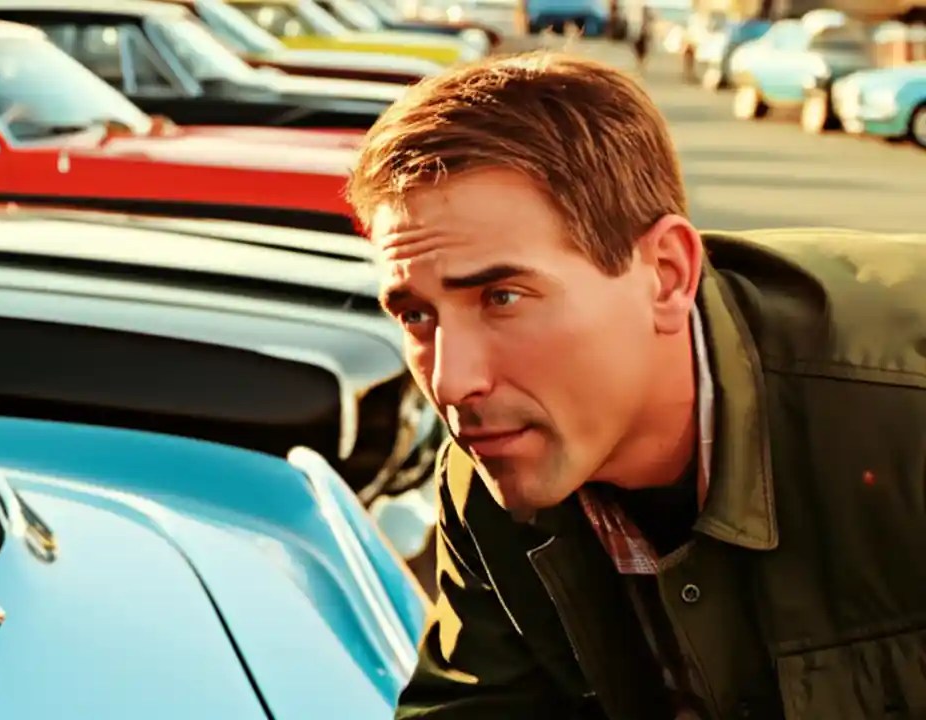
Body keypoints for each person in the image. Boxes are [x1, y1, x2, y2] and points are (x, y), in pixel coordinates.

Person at [346, 52, 926, 720]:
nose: (451, 382)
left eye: (502, 297)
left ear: (667, 275)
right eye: (417, 315)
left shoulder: (900, 419)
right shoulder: (492, 468)